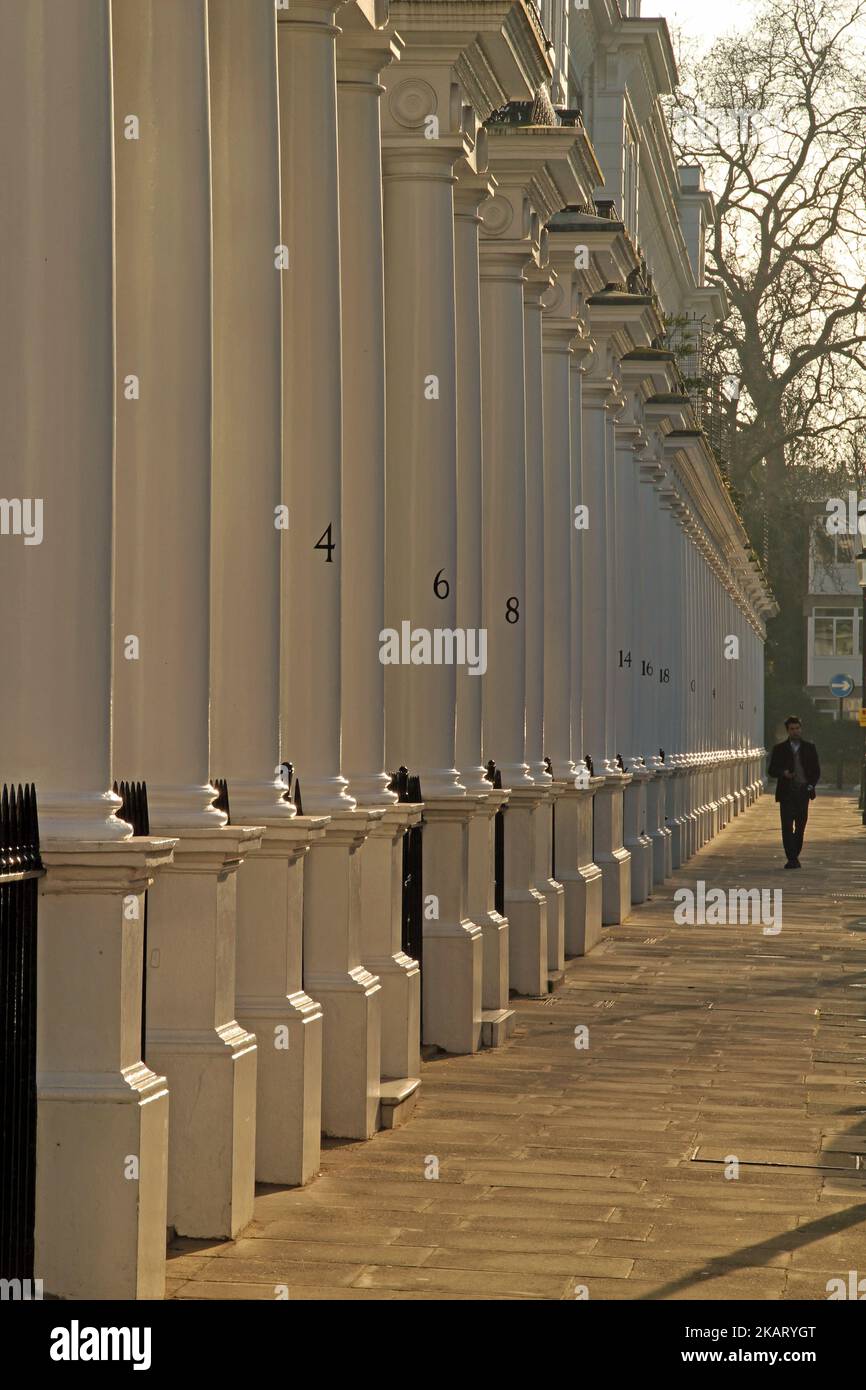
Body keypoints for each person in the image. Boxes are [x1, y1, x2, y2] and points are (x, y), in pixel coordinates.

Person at [767, 716, 820, 868]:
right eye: (792, 729)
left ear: (800, 729)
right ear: (787, 731)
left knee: (801, 826)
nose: (795, 731)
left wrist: (810, 785)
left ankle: (794, 853)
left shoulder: (809, 747)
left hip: (803, 791)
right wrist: (783, 773)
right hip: (787, 793)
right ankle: (791, 858)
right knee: (786, 826)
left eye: (797, 728)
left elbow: (816, 771)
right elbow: (771, 770)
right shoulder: (779, 749)